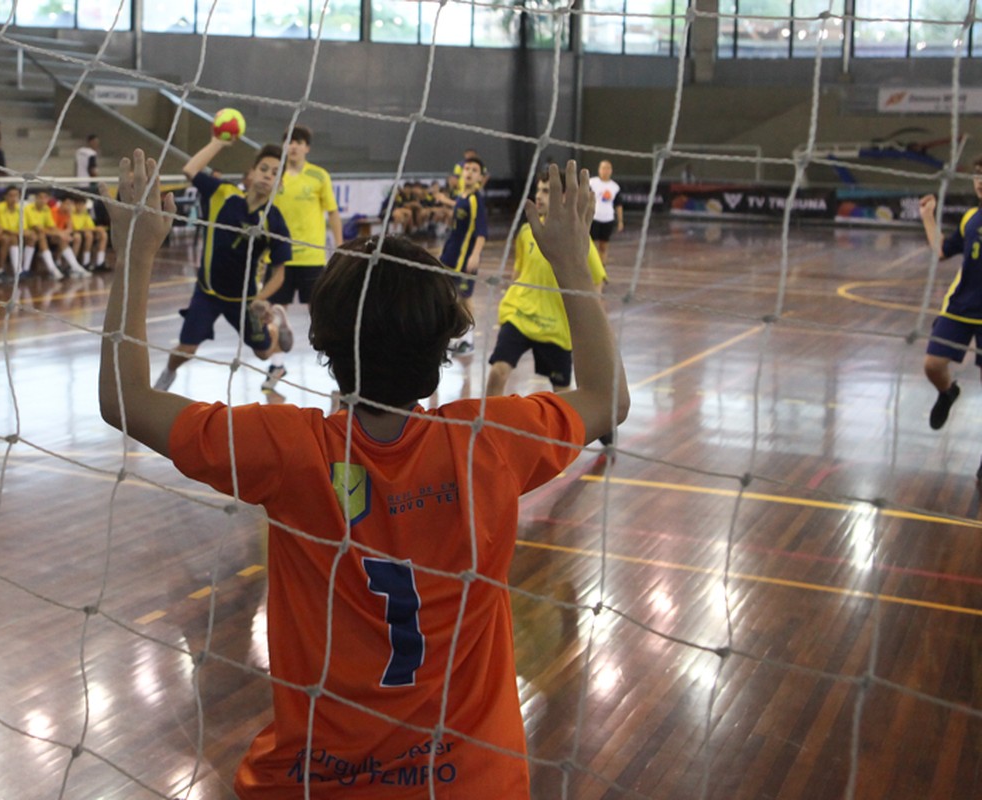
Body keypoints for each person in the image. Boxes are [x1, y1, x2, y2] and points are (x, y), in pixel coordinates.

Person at [98, 151, 628, 798]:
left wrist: (135, 251)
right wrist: (574, 260)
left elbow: (123, 399)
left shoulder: (285, 450)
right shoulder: (489, 442)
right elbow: (607, 398)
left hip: (315, 783)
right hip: (471, 782)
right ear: (440, 350)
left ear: (322, 343)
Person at [152, 137, 295, 392]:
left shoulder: (275, 222)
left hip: (246, 302)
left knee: (263, 354)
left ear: (280, 184)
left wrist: (261, 299)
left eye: (275, 174)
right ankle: (168, 374)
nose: (267, 176)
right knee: (187, 349)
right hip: (207, 293)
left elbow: (280, 274)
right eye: (263, 169)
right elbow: (190, 170)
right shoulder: (224, 194)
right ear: (251, 173)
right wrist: (218, 142)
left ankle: (273, 324)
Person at [487, 170, 616, 445]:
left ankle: (603, 430)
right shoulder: (525, 231)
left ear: (560, 196)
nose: (541, 196)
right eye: (539, 190)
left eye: (547, 191)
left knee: (564, 394)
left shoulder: (576, 239)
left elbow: (596, 280)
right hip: (519, 313)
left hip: (556, 326)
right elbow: (519, 269)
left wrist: (586, 318)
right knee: (498, 372)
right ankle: (487, 431)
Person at [260, 124, 343, 392]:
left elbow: (332, 212)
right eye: (288, 141)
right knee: (270, 313)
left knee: (323, 315)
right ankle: (277, 364)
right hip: (280, 259)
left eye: (298, 142)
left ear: (307, 147)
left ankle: (338, 371)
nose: (293, 146)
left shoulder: (319, 176)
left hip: (311, 258)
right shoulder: (274, 176)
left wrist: (340, 247)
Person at [917, 157, 982, 433]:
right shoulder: (971, 217)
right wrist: (928, 217)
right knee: (932, 365)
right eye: (978, 175)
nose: (980, 181)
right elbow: (943, 251)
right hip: (961, 306)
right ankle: (947, 392)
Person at [437, 155, 487, 355]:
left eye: (474, 170)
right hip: (450, 255)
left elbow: (481, 232)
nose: (469, 172)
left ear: (480, 178)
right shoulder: (462, 196)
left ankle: (468, 339)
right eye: (467, 168)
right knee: (447, 294)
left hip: (464, 259)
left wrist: (475, 255)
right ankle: (448, 336)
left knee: (464, 298)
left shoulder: (476, 200)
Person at [60, 193, 108, 271]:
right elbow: (76, 228)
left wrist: (98, 229)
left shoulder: (85, 214)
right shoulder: (71, 213)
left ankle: (100, 262)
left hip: (84, 234)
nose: (81, 207)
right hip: (73, 234)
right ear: (75, 204)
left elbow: (90, 226)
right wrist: (96, 229)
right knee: (88, 235)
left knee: (103, 234)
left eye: (83, 204)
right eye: (79, 204)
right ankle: (82, 262)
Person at [588, 159, 623, 263]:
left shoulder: (615, 187)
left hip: (608, 219)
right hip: (594, 219)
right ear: (599, 170)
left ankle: (602, 270)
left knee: (604, 247)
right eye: (603, 168)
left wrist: (620, 221)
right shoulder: (592, 183)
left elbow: (618, 205)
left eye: (608, 168)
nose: (605, 171)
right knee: (591, 246)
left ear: (611, 170)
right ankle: (591, 268)